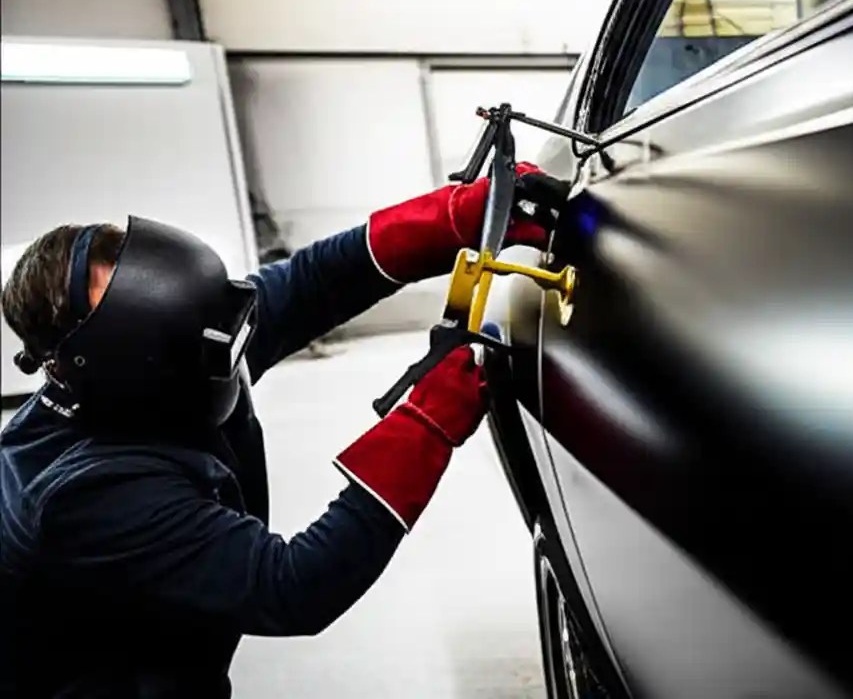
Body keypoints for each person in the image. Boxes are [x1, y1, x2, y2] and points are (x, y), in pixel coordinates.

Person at [0, 164, 553, 697]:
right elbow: (292, 585)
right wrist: (424, 424)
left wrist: (448, 219)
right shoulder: (83, 495)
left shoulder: (185, 342)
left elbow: (310, 283)